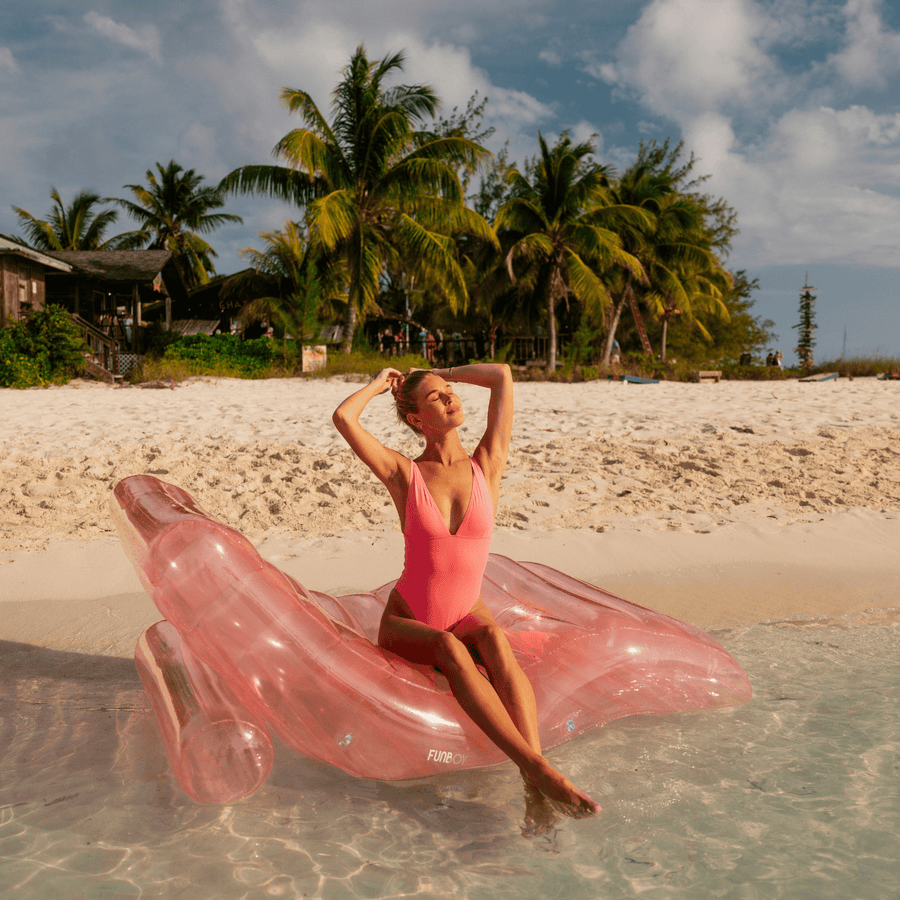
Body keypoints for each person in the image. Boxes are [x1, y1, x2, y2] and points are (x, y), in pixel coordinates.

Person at [332, 363, 600, 820]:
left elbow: (501, 375)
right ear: (416, 418)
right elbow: (344, 418)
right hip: (410, 622)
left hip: (467, 612)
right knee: (448, 648)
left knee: (494, 638)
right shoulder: (404, 473)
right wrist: (379, 385)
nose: (451, 398)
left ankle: (532, 774)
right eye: (436, 397)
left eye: (451, 391)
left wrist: (441, 370)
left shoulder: (487, 464)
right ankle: (536, 768)